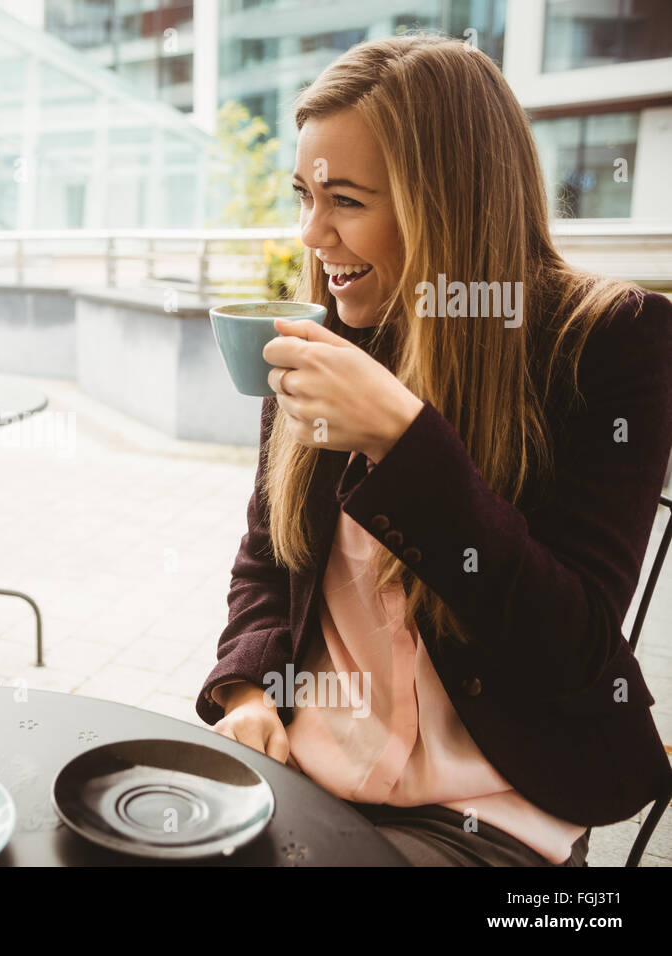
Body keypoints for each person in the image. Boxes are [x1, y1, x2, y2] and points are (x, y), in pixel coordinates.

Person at [198, 33, 672, 866]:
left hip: (489, 813)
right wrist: (251, 692)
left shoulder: (607, 344)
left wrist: (406, 444)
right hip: (313, 779)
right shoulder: (323, 338)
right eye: (304, 195)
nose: (313, 233)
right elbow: (270, 560)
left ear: (446, 197)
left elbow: (578, 647)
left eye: (344, 199)